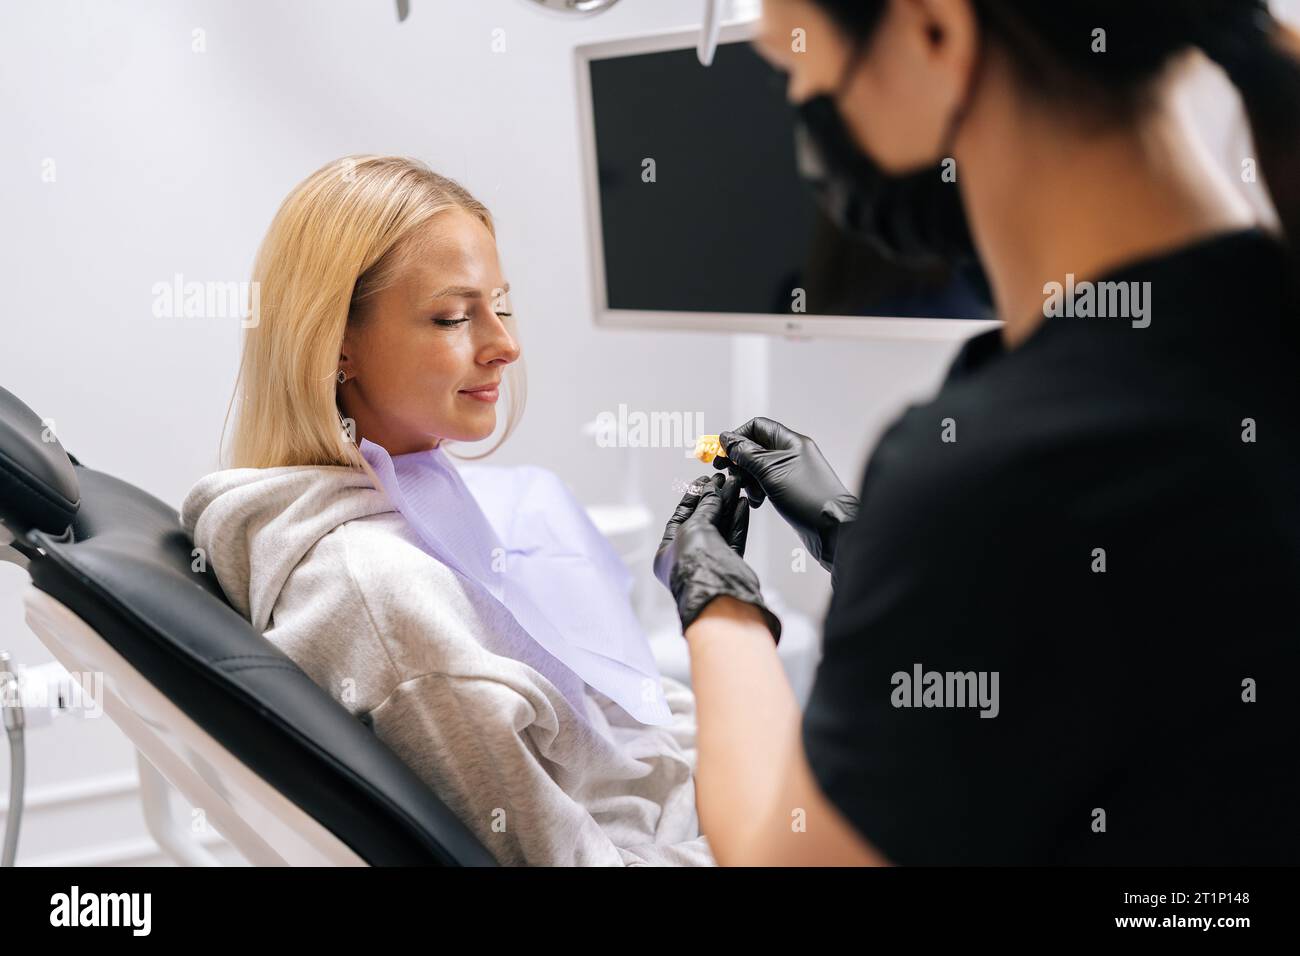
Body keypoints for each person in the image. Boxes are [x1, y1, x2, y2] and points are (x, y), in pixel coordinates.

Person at [654, 0, 1300, 864]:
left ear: (935, 32)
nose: (801, 105)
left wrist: (715, 602)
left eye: (793, 66)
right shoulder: (1231, 349)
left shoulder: (1015, 471)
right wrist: (865, 541)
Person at [183, 155, 714, 866]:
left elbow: (604, 715)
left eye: (501, 305)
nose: (505, 346)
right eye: (454, 316)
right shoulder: (383, 597)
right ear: (337, 343)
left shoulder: (410, 500)